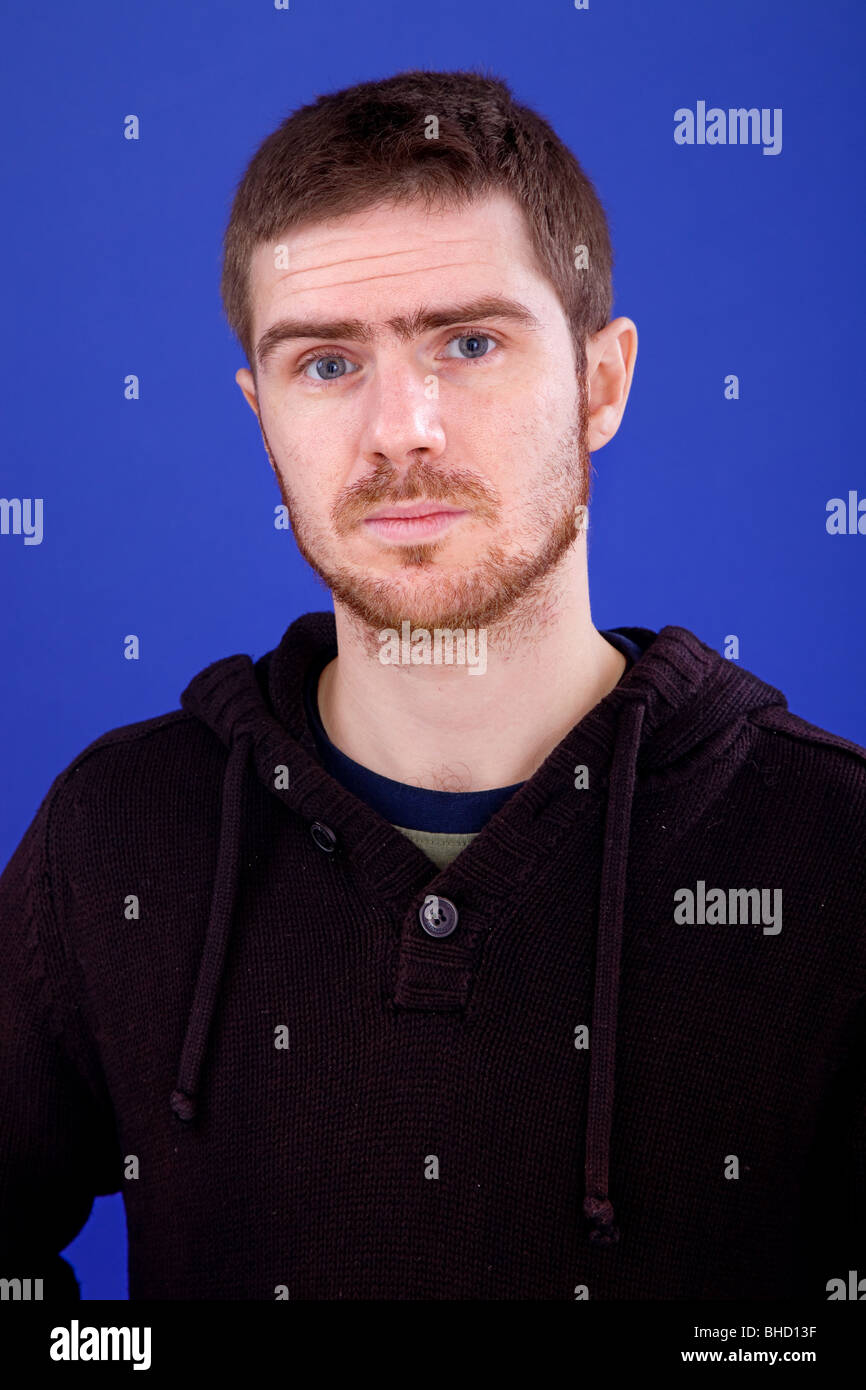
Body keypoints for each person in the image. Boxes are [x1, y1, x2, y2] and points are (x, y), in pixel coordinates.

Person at [1, 68, 864, 1302]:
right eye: (325, 364)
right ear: (262, 415)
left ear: (601, 383)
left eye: (467, 343)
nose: (400, 429)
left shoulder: (831, 848)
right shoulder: (116, 831)